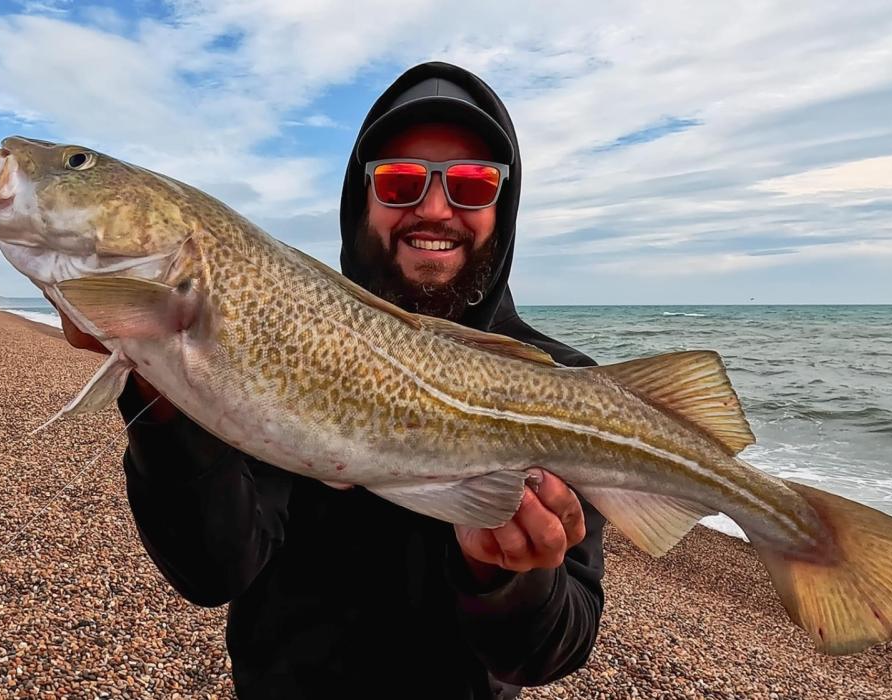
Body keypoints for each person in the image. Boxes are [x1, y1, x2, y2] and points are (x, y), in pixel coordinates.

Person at [54, 61, 607, 700]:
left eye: (472, 184)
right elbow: (212, 568)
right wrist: (160, 376)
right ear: (360, 199)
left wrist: (510, 577)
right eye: (399, 182)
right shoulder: (280, 336)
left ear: (502, 207)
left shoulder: (567, 387)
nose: (434, 208)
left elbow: (550, 652)